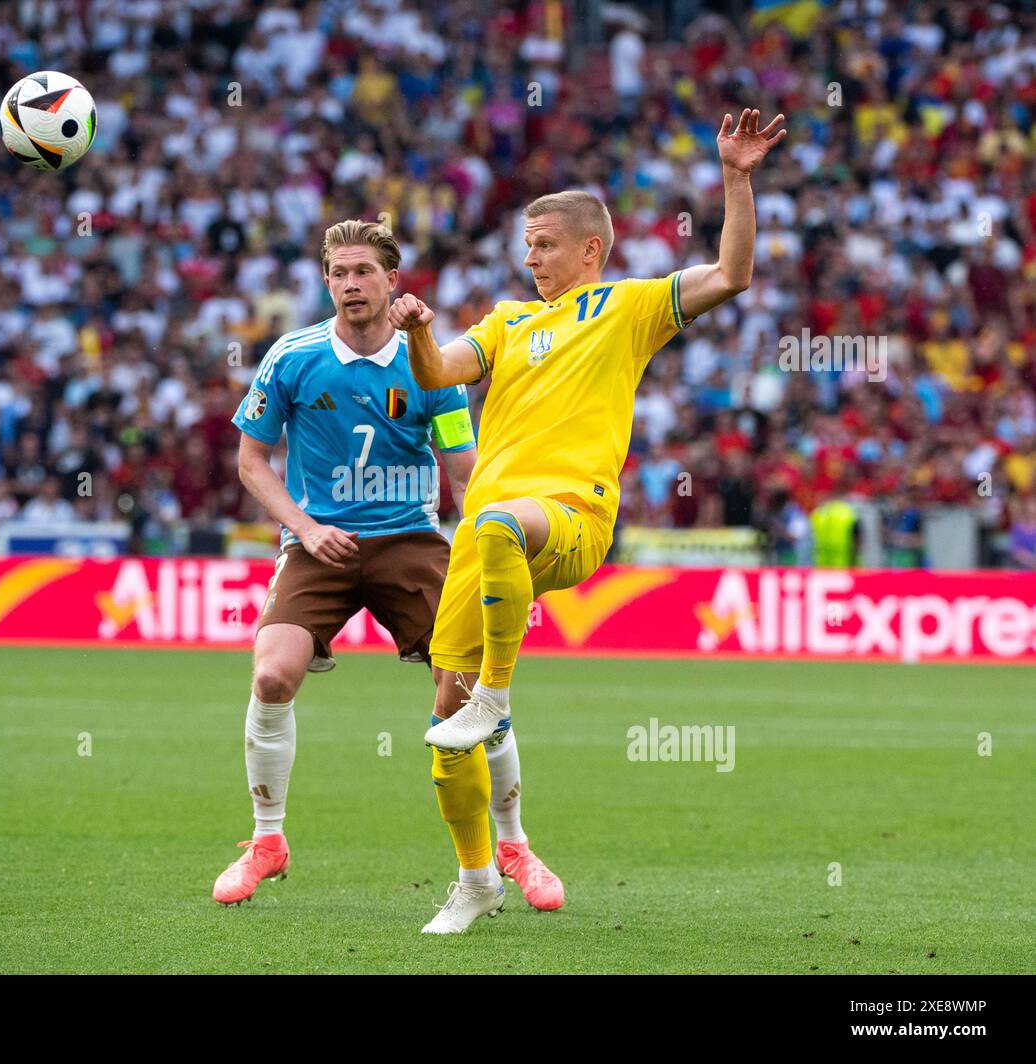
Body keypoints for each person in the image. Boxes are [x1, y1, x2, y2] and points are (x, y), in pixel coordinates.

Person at [389, 108, 787, 933]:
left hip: (571, 515)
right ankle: (474, 880)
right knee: (440, 724)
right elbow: (437, 379)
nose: (529, 257)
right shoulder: (505, 322)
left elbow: (730, 275)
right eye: (525, 246)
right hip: (485, 538)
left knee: (495, 529)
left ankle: (498, 697)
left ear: (589, 250)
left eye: (542, 244)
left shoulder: (627, 307)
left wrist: (737, 180)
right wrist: (421, 332)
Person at [214, 219, 564, 910]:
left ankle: (514, 844)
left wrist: (504, 566)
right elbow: (250, 462)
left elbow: (467, 475)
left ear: (391, 280)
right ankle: (266, 841)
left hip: (411, 540)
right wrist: (307, 529)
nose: (350, 285)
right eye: (338, 273)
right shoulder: (292, 357)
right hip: (320, 545)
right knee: (271, 674)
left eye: (363, 272)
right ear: (326, 282)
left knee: (470, 690)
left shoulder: (430, 365)